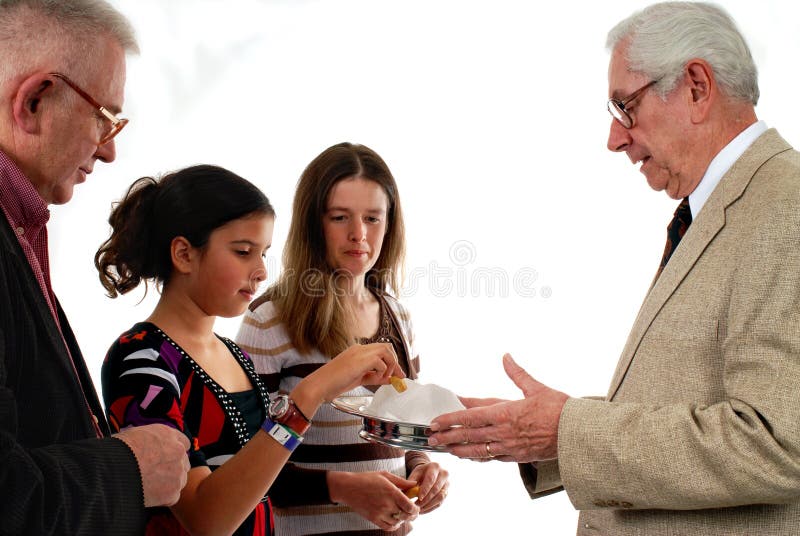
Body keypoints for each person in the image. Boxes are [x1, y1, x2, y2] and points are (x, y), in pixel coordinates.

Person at [428, 2, 800, 534]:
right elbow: (685, 403)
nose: (614, 137)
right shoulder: (724, 207)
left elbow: (777, 441)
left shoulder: (786, 207)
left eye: (626, 106)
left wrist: (567, 431)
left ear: (696, 87)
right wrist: (536, 435)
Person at [97, 164, 405, 535]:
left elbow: (264, 483)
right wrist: (312, 392)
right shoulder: (140, 359)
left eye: (264, 253)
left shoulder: (234, 355)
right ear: (183, 254)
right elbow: (206, 521)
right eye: (243, 252)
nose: (261, 271)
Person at [0, 1, 190, 534]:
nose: (108, 152)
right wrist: (127, 467)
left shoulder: (22, 227)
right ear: (34, 100)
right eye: (104, 118)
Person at [235, 142, 450, 535]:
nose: (358, 234)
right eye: (339, 217)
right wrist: (344, 489)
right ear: (313, 224)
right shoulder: (268, 321)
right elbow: (243, 472)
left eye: (373, 218)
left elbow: (407, 434)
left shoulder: (399, 318)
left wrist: (422, 469)